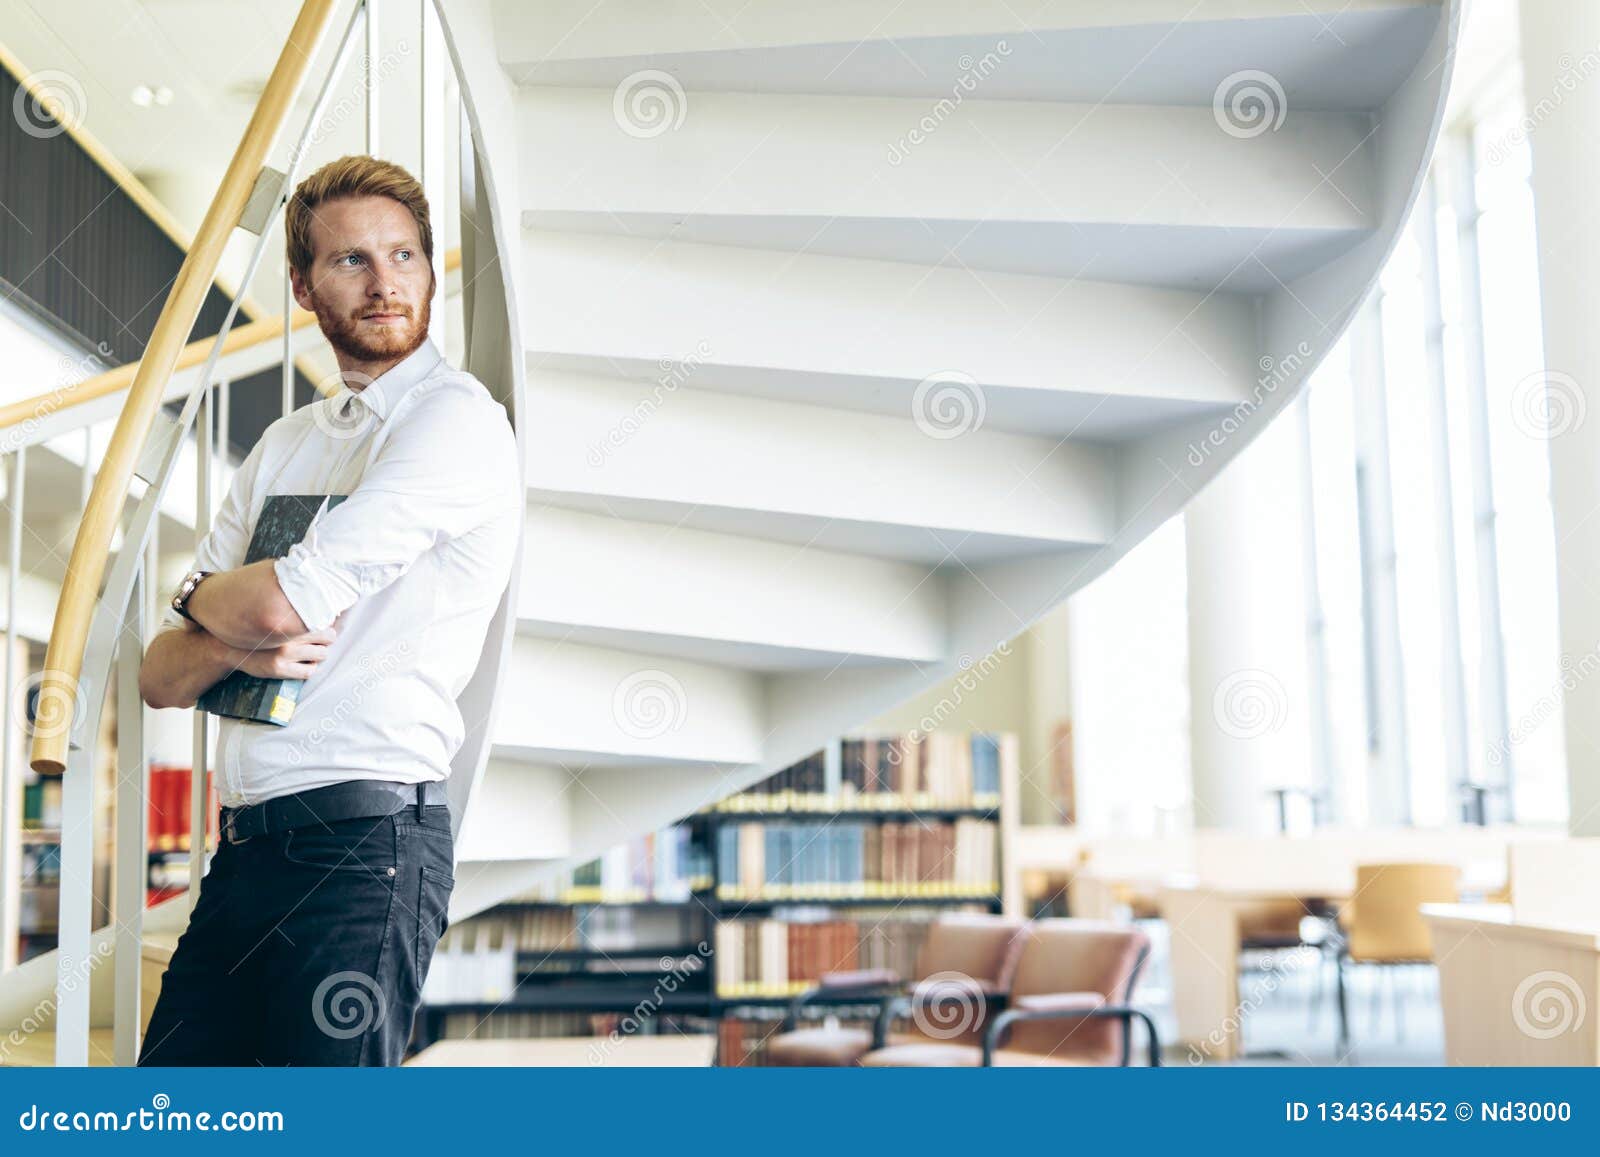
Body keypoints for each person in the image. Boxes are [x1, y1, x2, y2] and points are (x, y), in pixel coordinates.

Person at [135, 155, 521, 1065]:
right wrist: (226, 630)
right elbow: (158, 675)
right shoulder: (285, 444)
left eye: (405, 256)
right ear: (305, 286)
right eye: (352, 261)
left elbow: (280, 604)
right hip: (246, 850)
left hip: (364, 847)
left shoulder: (455, 421)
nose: (386, 282)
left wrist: (203, 608)